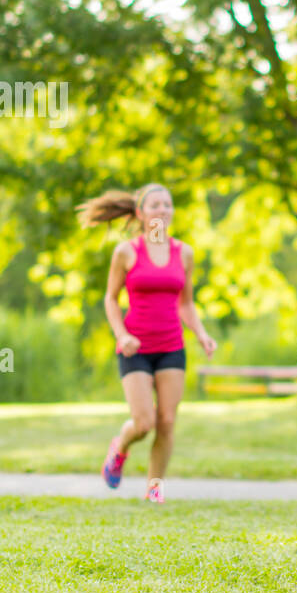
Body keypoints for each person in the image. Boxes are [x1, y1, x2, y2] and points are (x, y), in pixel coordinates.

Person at [77, 183, 216, 503]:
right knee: (144, 423)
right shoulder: (126, 252)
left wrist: (202, 333)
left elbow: (186, 303)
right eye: (155, 205)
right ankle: (120, 446)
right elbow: (110, 299)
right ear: (140, 213)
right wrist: (121, 334)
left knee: (167, 422)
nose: (162, 211)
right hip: (135, 347)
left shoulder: (184, 252)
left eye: (167, 205)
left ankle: (154, 489)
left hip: (171, 346)